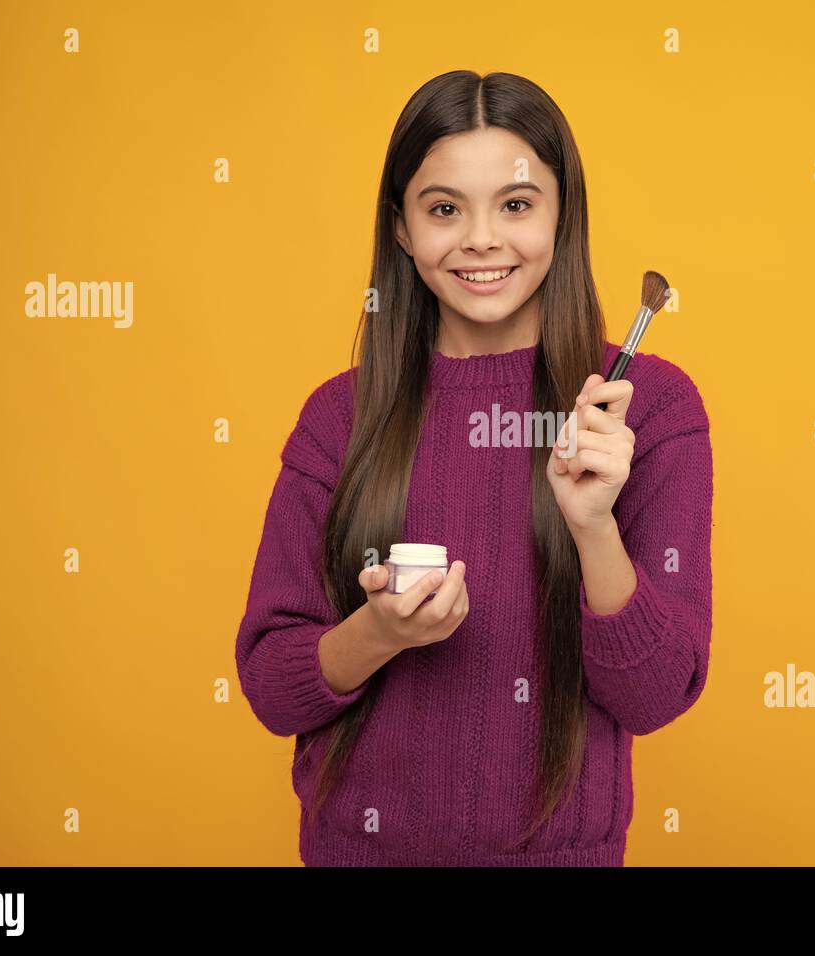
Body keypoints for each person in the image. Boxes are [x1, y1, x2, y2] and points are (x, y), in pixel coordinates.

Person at [234, 70, 713, 866]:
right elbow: (272, 689)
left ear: (564, 216)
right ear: (401, 228)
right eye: (445, 208)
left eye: (517, 204)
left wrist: (594, 529)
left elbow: (656, 694)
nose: (481, 239)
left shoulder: (648, 411)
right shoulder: (337, 419)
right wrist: (377, 633)